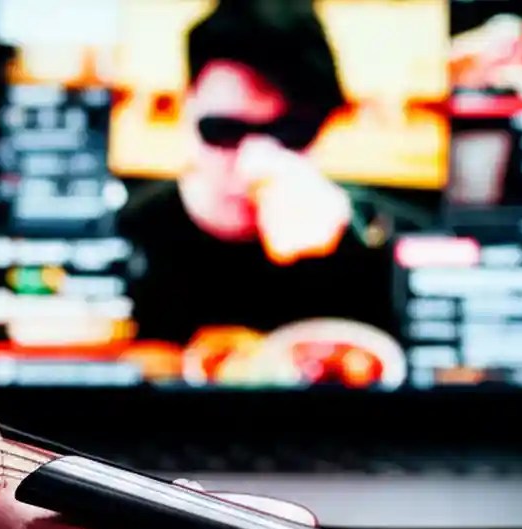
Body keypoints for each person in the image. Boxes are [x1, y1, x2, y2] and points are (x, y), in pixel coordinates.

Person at [115, 0, 395, 345]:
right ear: (187, 108)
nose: (253, 163)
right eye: (224, 131)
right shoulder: (126, 234)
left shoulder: (365, 234)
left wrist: (350, 246)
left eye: (291, 133)